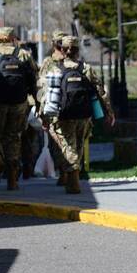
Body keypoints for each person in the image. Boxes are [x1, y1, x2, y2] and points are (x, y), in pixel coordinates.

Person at [39, 34, 113, 194]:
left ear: (64, 51)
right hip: (84, 115)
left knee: (68, 146)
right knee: (79, 145)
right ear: (77, 51)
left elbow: (46, 95)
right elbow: (101, 92)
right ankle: (74, 175)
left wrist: (43, 116)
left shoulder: (55, 69)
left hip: (64, 115)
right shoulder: (86, 69)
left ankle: (73, 179)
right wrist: (109, 111)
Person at [0, 26, 38, 190]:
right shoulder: (23, 54)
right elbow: (34, 78)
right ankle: (12, 180)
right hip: (18, 103)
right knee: (13, 138)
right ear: (13, 38)